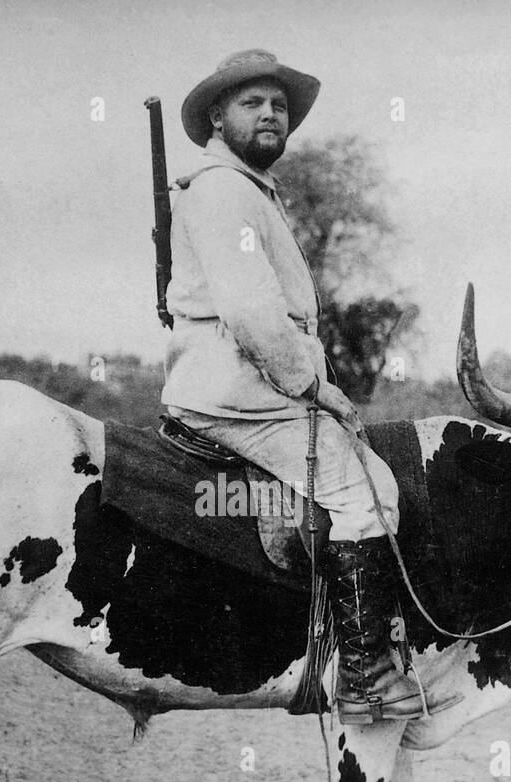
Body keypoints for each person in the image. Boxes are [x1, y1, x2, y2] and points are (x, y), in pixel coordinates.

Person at [162, 48, 427, 724]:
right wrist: (314, 386)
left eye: (279, 105)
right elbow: (253, 312)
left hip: (242, 387)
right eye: (254, 103)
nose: (271, 114)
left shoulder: (244, 190)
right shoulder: (223, 189)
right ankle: (366, 671)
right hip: (240, 397)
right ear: (218, 117)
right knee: (370, 490)